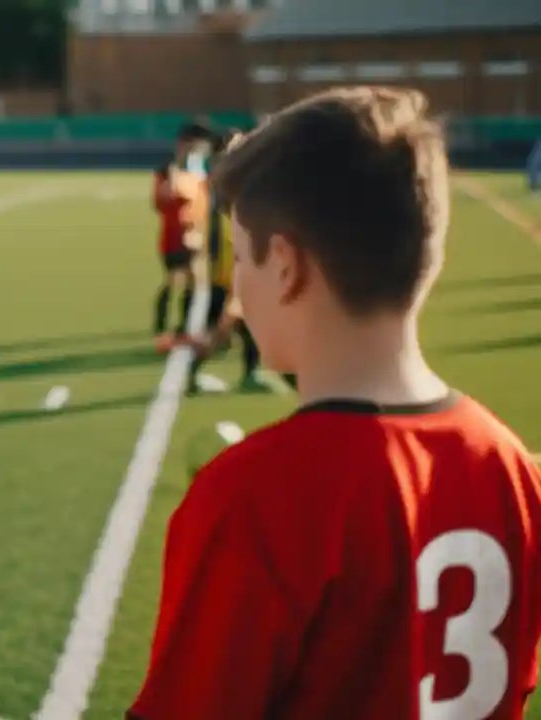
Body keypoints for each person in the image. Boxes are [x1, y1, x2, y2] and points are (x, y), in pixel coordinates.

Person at [131, 86, 541, 718]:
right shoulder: (514, 469)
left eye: (242, 257)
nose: (238, 280)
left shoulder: (253, 494)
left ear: (287, 267)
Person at [186, 127, 270, 395]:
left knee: (247, 324)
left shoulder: (228, 179)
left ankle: (251, 372)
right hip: (229, 262)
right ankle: (192, 371)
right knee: (225, 324)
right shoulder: (228, 180)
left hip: (233, 257)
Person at [151, 120, 212, 353]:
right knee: (174, 282)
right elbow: (160, 200)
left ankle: (183, 330)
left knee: (195, 283)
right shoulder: (168, 169)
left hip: (195, 235)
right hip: (175, 237)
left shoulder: (197, 167)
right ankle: (162, 332)